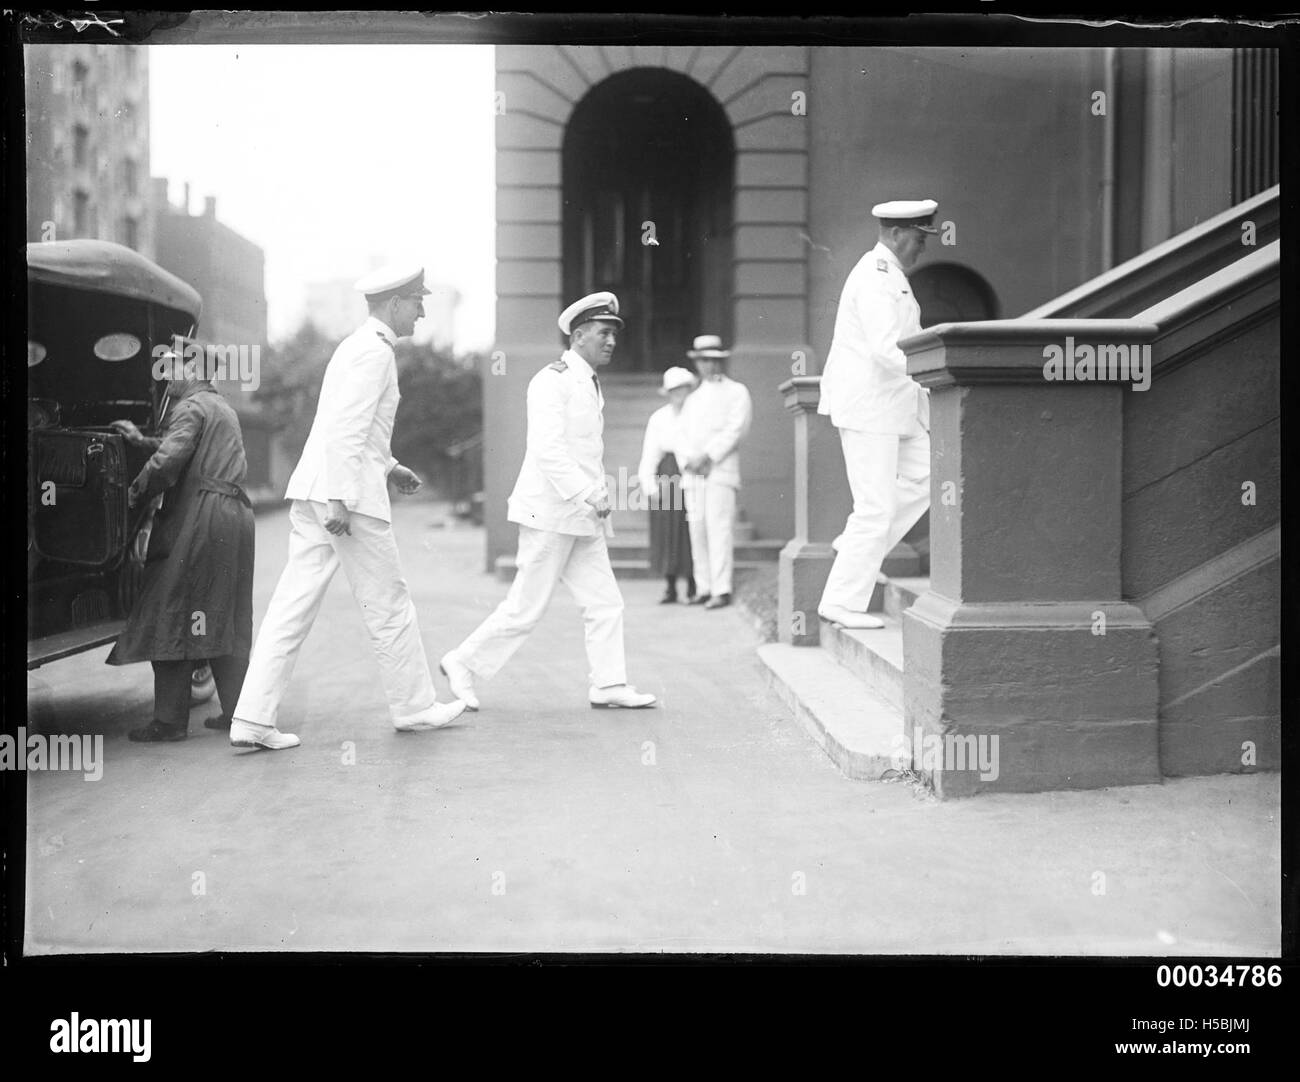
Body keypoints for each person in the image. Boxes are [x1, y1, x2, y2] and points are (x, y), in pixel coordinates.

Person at [227, 264, 466, 750]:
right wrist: (340, 495)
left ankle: (251, 718)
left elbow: (355, 427)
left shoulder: (356, 346)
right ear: (395, 303)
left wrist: (390, 465)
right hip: (345, 499)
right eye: (417, 302)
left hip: (319, 490)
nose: (422, 312)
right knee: (390, 602)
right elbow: (346, 428)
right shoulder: (375, 353)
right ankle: (415, 707)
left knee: (291, 606)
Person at [439, 291, 656, 711]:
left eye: (614, 333)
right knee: (525, 608)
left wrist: (593, 497)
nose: (611, 341)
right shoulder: (550, 381)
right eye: (603, 333)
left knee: (604, 601)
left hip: (582, 514)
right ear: (577, 336)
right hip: (551, 513)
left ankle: (609, 684)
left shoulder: (589, 383)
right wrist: (590, 493)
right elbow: (547, 451)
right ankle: (462, 662)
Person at [106, 344, 254, 742]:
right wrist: (141, 440)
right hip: (235, 515)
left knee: (169, 606)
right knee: (223, 611)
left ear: (191, 367)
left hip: (203, 519)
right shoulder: (219, 407)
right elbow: (185, 449)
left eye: (169, 368)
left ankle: (169, 722)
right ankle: (241, 713)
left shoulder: (188, 408)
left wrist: (131, 495)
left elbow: (170, 462)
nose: (164, 376)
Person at [816, 198, 937, 630]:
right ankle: (841, 601)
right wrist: (934, 376)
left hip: (893, 409)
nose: (923, 247)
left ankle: (853, 548)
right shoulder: (874, 277)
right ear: (897, 234)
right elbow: (889, 351)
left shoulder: (893, 277)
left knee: (929, 474)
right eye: (920, 238)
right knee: (875, 507)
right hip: (871, 408)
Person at [677, 335, 753, 610]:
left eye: (712, 360)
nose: (707, 366)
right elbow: (681, 434)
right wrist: (690, 460)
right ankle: (704, 586)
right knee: (697, 529)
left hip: (720, 472)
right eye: (702, 361)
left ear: (720, 361)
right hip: (694, 474)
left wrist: (709, 456)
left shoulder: (737, 392)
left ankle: (721, 589)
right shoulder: (693, 398)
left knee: (718, 528)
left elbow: (736, 429)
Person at [636, 366, 697, 603]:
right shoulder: (659, 418)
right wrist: (650, 486)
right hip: (667, 475)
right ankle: (670, 586)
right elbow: (650, 453)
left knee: (690, 529)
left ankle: (694, 585)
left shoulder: (697, 416)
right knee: (667, 530)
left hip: (692, 473)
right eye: (674, 390)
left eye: (683, 389)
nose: (679, 395)